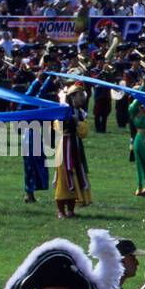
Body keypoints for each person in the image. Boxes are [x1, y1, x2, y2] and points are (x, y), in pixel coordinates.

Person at [54, 86, 92, 219]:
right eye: (80, 95)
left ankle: (71, 208)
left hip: (76, 147)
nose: (83, 98)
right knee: (63, 177)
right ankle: (60, 210)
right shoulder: (63, 110)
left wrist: (77, 123)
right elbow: (57, 126)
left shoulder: (80, 112)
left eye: (83, 95)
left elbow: (84, 132)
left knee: (75, 175)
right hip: (64, 147)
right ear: (72, 97)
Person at [127, 96, 145, 198]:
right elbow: (136, 102)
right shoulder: (133, 110)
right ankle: (144, 187)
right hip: (140, 139)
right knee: (142, 163)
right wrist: (141, 90)